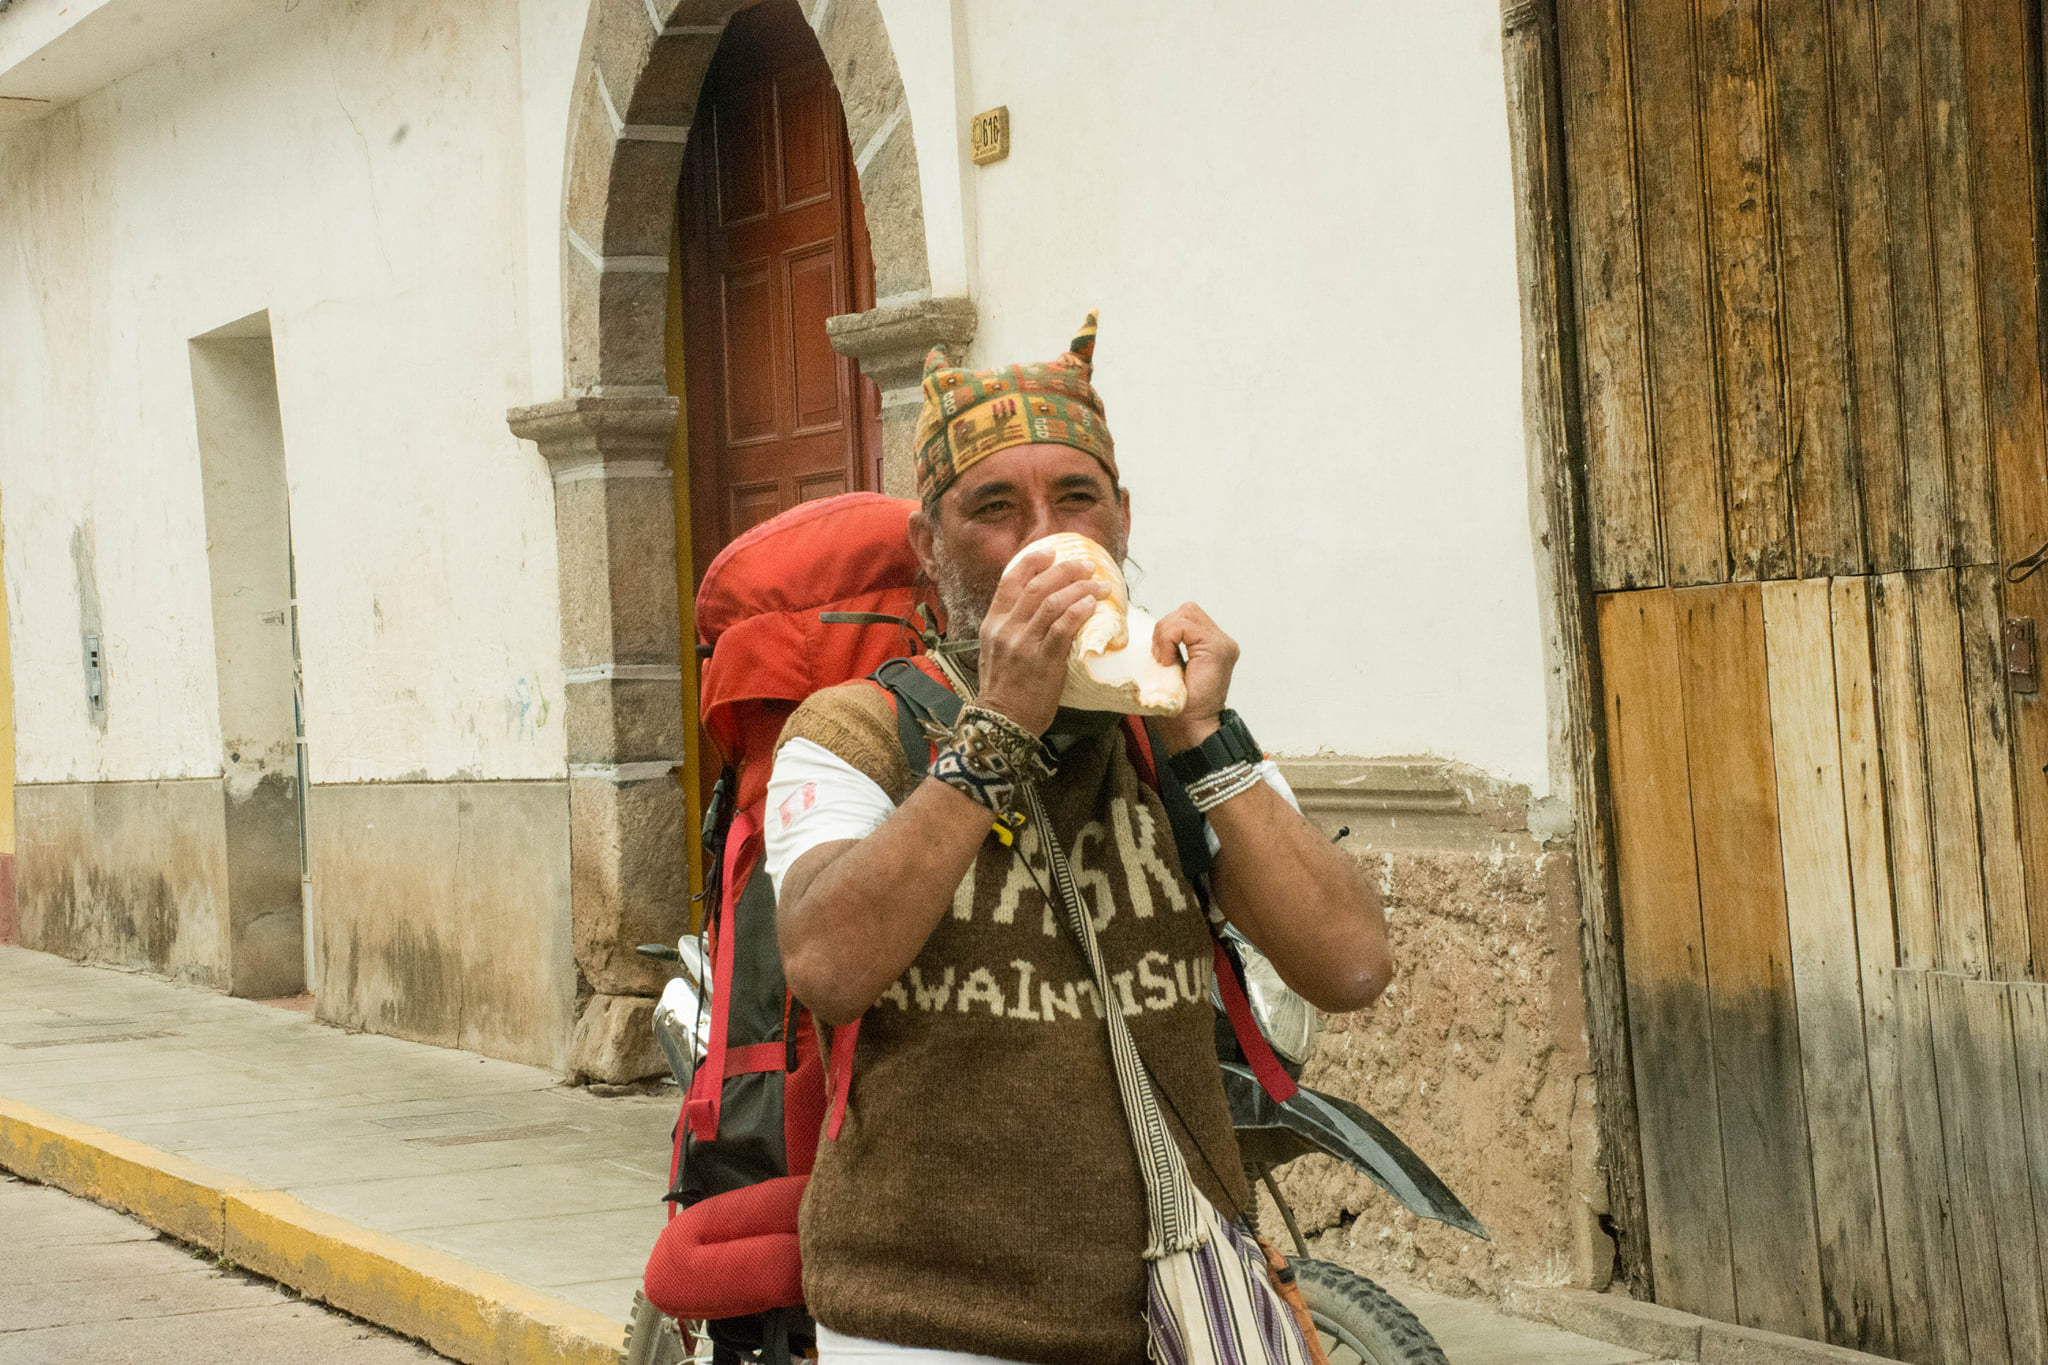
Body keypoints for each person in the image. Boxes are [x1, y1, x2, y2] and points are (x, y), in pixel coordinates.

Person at [764, 315, 1393, 1365]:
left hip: (1173, 1299)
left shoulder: (1171, 732)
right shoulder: (855, 731)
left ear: (1121, 519)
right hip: (928, 1319)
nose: (1042, 539)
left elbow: (1351, 964)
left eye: (1075, 499)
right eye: (993, 509)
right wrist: (996, 731)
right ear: (929, 546)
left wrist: (1203, 736)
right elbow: (827, 964)